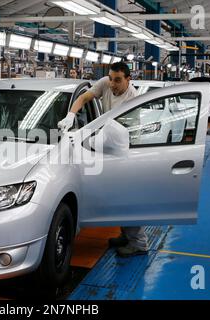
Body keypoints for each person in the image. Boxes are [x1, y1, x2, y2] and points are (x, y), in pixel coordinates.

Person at [57, 61, 148, 258]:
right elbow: (84, 97)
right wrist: (71, 115)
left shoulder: (133, 99)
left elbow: (119, 131)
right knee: (118, 194)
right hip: (108, 143)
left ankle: (139, 243)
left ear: (128, 80)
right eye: (111, 79)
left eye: (117, 80)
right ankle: (126, 235)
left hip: (126, 147)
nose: (112, 84)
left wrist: (91, 139)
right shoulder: (105, 83)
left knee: (128, 197)